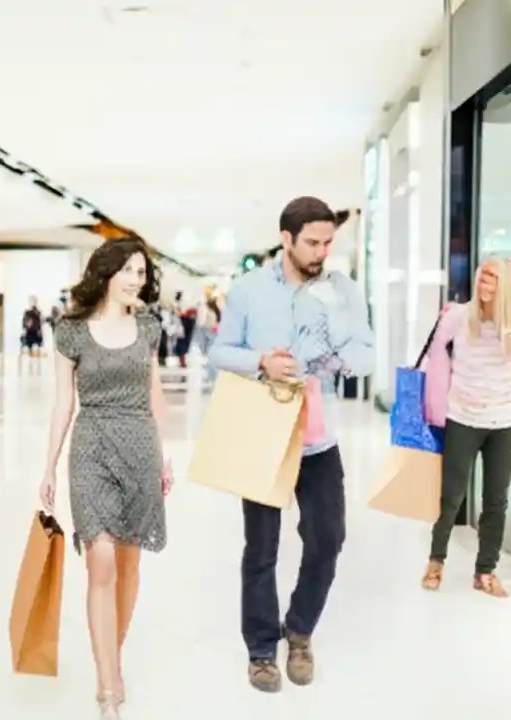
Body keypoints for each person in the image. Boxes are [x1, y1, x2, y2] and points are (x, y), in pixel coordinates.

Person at [209, 196, 373, 693]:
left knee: (328, 538)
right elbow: (218, 351)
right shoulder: (250, 289)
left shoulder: (344, 291)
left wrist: (338, 350)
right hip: (263, 431)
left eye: (328, 242)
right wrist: (261, 361)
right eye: (312, 242)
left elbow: (365, 355)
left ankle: (298, 631)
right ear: (287, 239)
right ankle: (261, 650)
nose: (322, 251)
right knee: (261, 548)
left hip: (319, 438)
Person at [39, 236, 174, 719]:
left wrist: (164, 455)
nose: (137, 279)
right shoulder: (71, 331)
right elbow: (62, 403)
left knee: (130, 566)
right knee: (101, 562)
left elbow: (155, 393)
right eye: (130, 270)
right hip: (91, 447)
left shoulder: (148, 327)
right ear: (107, 272)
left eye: (143, 272)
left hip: (139, 446)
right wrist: (49, 464)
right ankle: (107, 684)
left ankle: (109, 657)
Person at [421, 258, 511, 598]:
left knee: (496, 500)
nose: (483, 289)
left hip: (505, 424)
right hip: (463, 417)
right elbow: (435, 358)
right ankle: (436, 561)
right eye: (481, 282)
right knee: (451, 496)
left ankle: (485, 570)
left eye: (491, 285)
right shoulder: (459, 317)